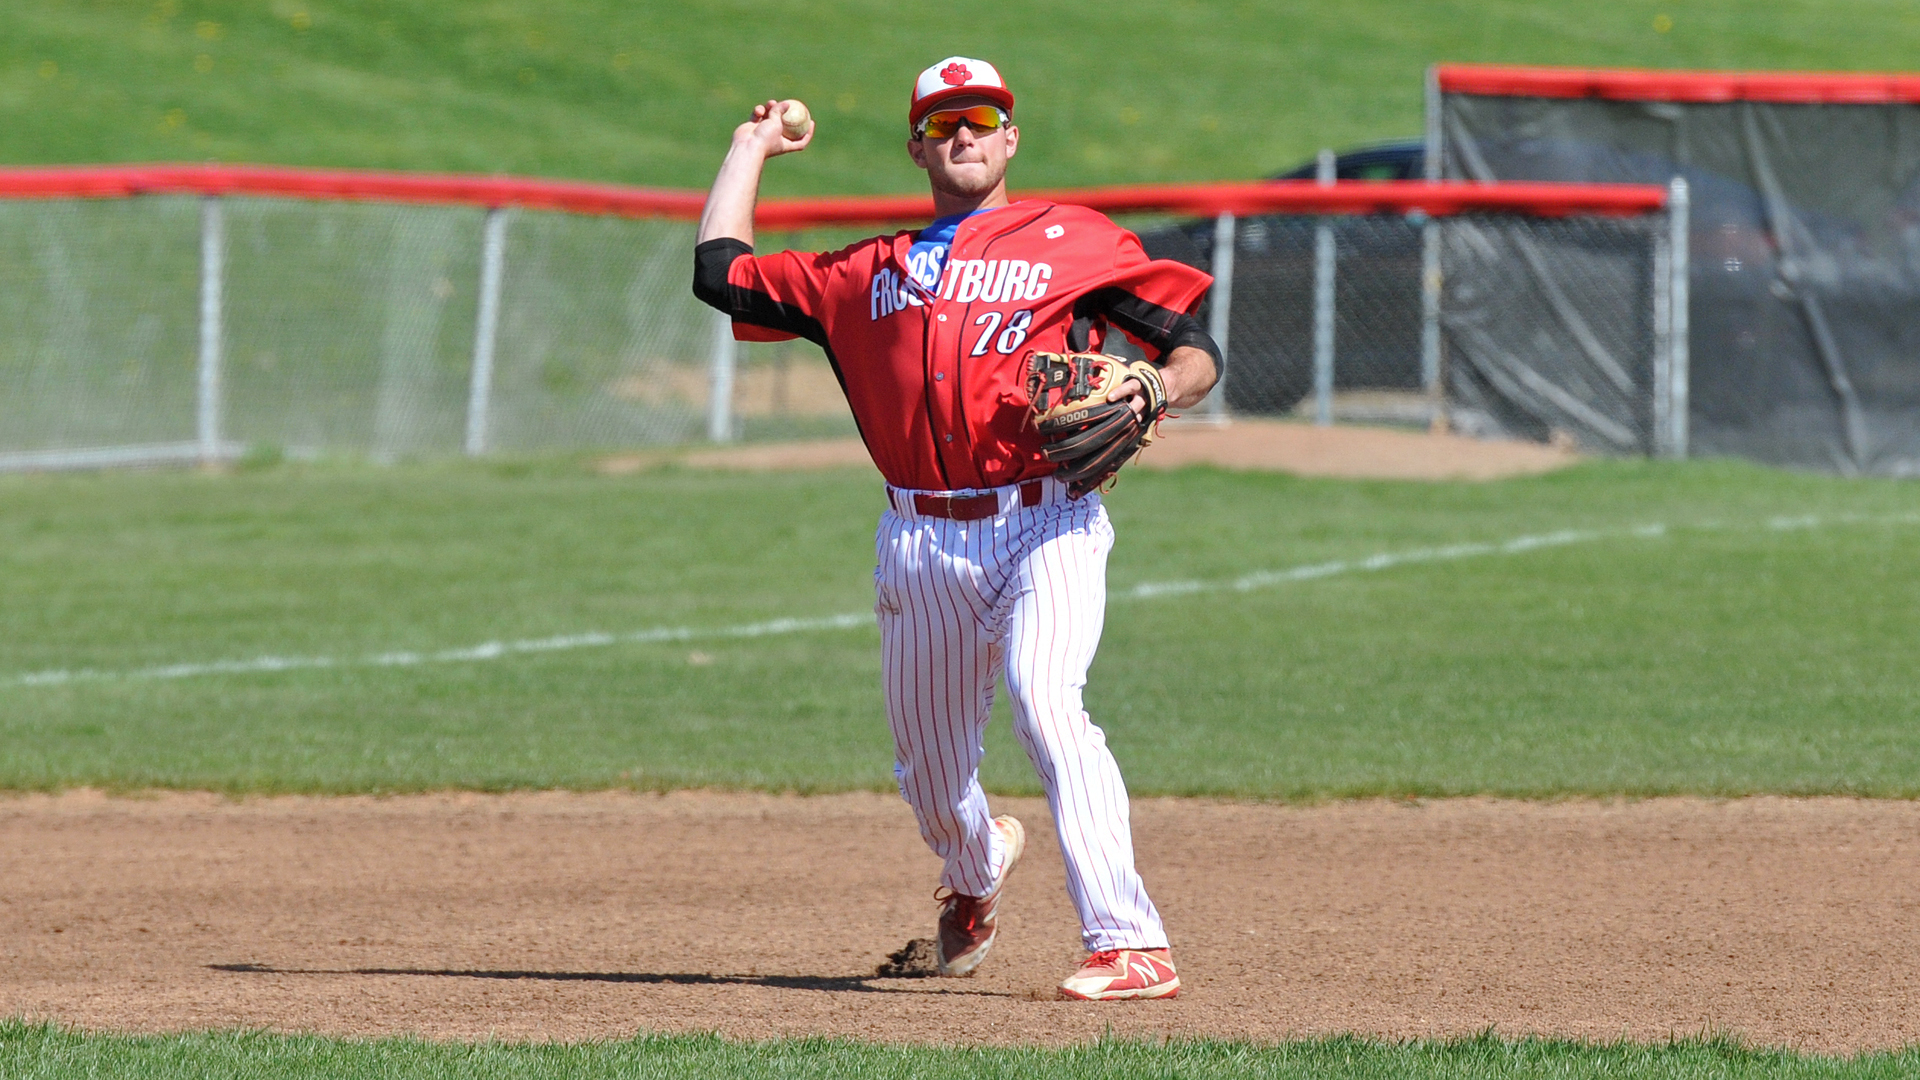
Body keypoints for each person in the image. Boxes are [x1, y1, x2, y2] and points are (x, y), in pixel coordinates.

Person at [692, 56, 1220, 1001]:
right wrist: (749, 147)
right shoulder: (864, 274)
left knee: (1046, 702)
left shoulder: (1078, 241)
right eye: (942, 125)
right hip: (921, 541)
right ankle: (976, 869)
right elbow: (721, 276)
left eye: (980, 120)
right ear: (918, 146)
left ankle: (1129, 943)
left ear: (1011, 138)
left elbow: (1194, 352)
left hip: (1045, 517)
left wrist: (1155, 386)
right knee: (933, 774)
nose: (963, 136)